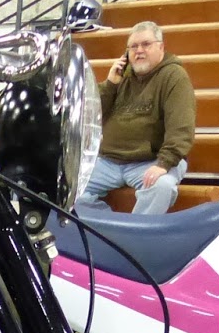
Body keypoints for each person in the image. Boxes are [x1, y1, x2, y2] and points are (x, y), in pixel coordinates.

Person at [79, 21, 195, 216]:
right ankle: (106, 229)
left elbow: (181, 128)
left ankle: (133, 237)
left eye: (146, 44)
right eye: (133, 46)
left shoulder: (175, 77)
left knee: (162, 187)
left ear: (161, 47)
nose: (139, 51)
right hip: (109, 161)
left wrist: (164, 164)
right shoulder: (120, 76)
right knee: (68, 186)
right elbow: (92, 113)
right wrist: (110, 85)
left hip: (150, 161)